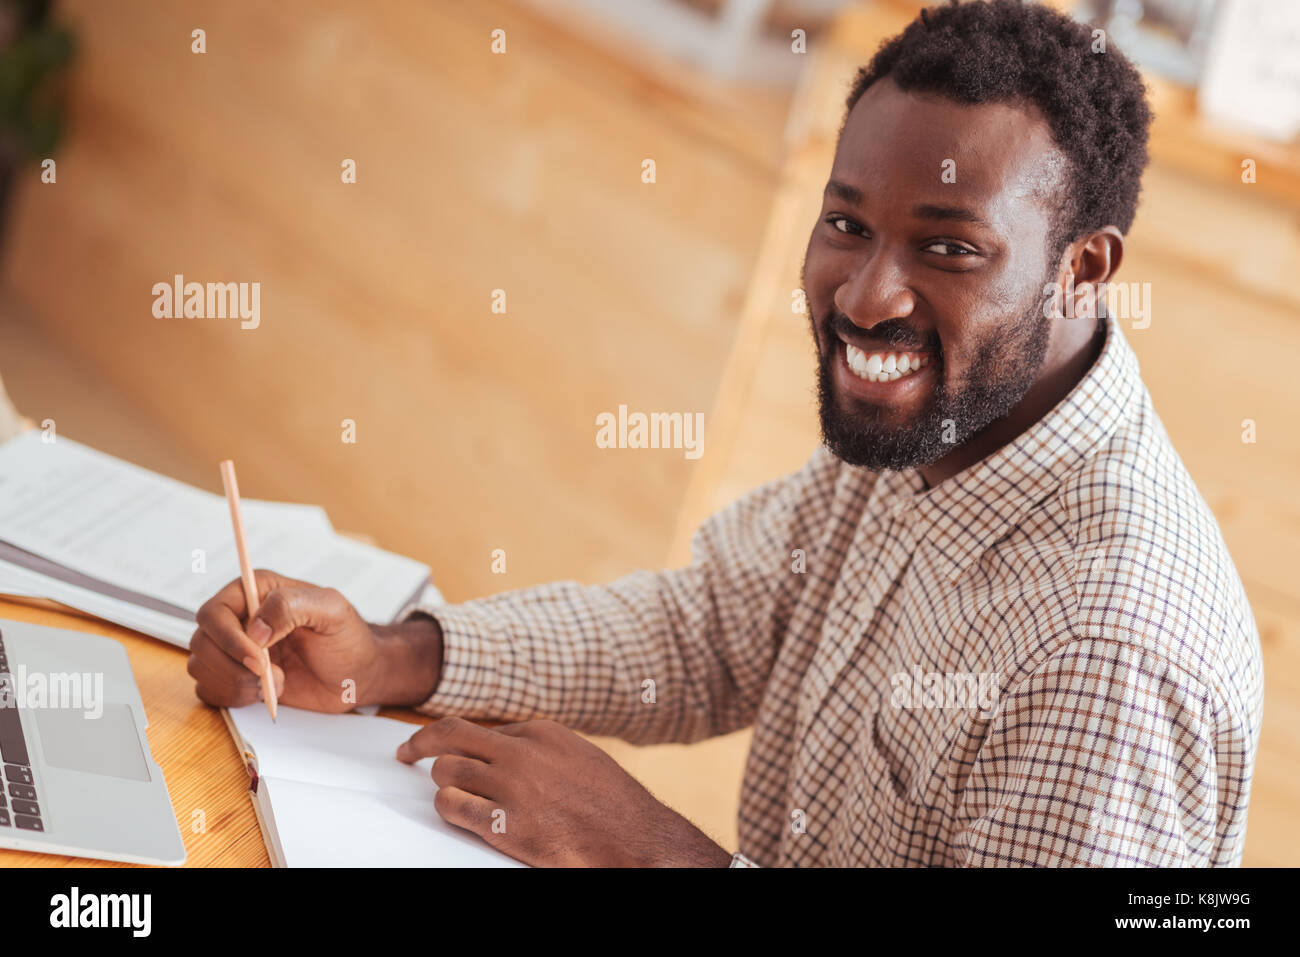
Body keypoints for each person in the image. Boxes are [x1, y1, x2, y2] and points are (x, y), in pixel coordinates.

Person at [186, 0, 1263, 867]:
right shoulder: (941, 423)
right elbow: (708, 631)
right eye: (846, 226)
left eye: (948, 250)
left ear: (1082, 269)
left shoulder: (1107, 650)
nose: (867, 297)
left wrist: (646, 851)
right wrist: (392, 658)